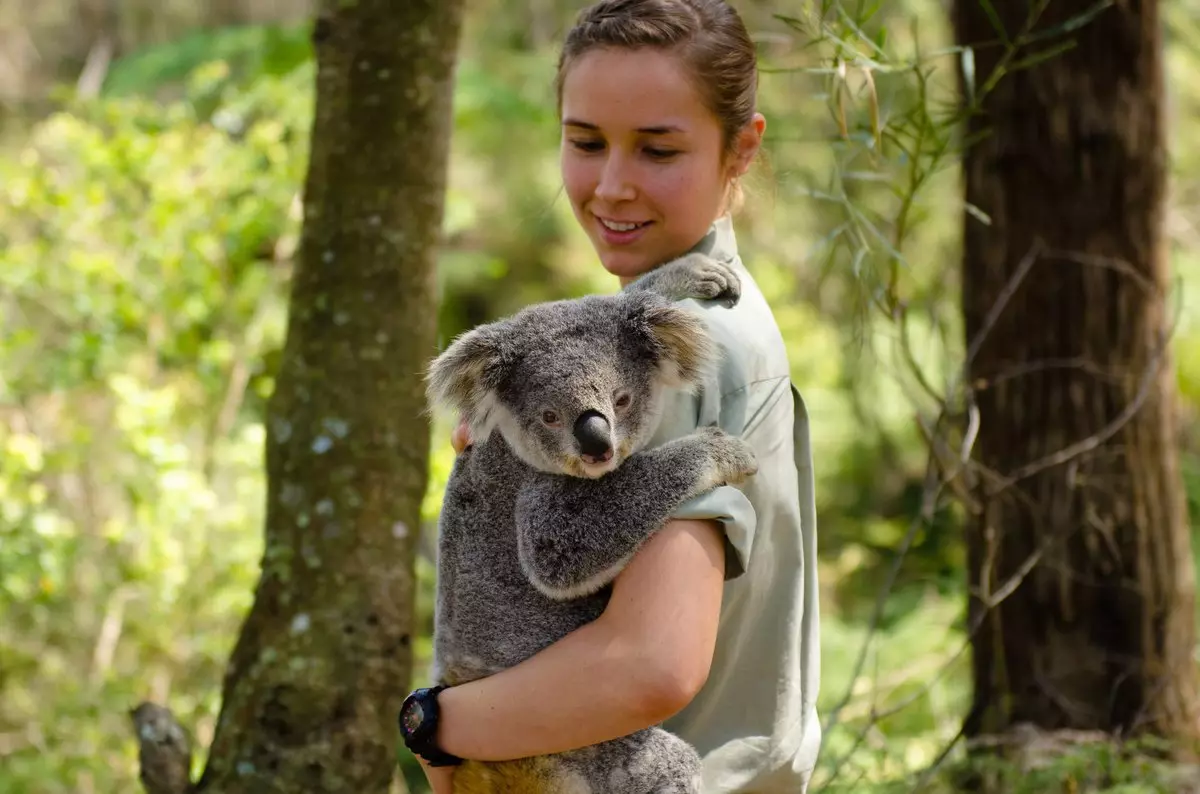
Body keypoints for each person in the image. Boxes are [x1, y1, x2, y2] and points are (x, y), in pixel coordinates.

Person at [408, 1, 821, 791]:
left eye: (658, 149)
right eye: (585, 142)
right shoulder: (655, 317)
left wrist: (435, 725)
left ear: (742, 148)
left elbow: (649, 666)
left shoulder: (692, 351)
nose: (611, 186)